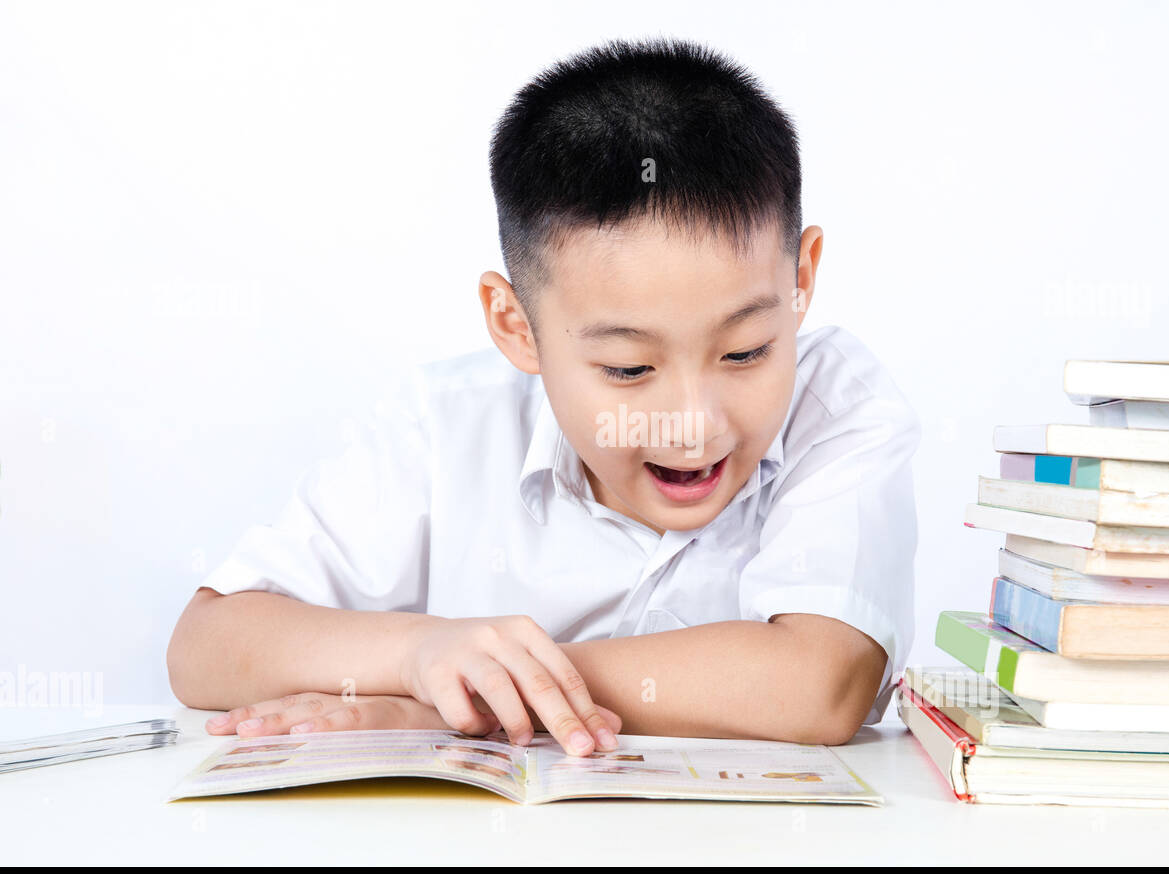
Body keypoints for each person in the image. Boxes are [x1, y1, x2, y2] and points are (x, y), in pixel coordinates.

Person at [167, 37, 920, 757]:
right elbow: (204, 647)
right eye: (628, 369)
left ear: (802, 278)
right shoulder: (445, 424)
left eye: (745, 351)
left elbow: (819, 683)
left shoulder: (838, 405)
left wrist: (471, 696)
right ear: (515, 324)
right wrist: (420, 652)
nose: (694, 427)